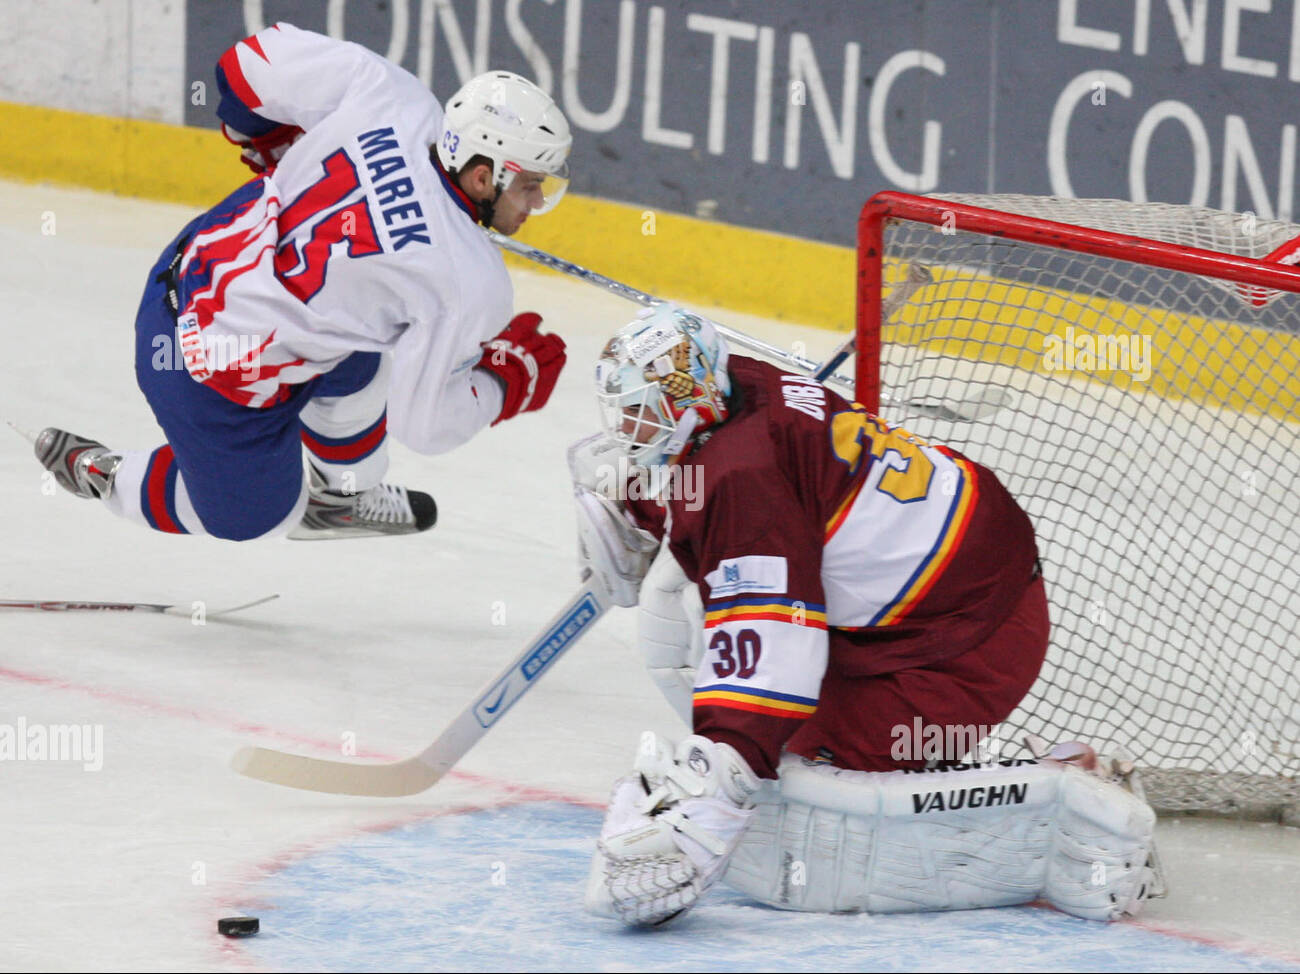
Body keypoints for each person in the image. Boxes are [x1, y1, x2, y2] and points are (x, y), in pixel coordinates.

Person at [568, 305, 1159, 927]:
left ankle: (1059, 791)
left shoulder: (743, 477)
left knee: (825, 799)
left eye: (641, 410)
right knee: (714, 641)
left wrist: (722, 778)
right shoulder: (739, 384)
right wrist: (653, 511)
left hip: (966, 637)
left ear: (691, 398)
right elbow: (748, 488)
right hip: (947, 583)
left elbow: (773, 641)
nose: (629, 429)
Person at [35, 23, 571, 540]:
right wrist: (506, 381)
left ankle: (343, 498)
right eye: (529, 186)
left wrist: (262, 134)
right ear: (483, 176)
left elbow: (245, 66)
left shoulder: (394, 95)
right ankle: (110, 474)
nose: (537, 203)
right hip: (202, 374)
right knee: (256, 518)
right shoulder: (469, 283)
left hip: (187, 263)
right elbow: (424, 427)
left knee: (361, 342)